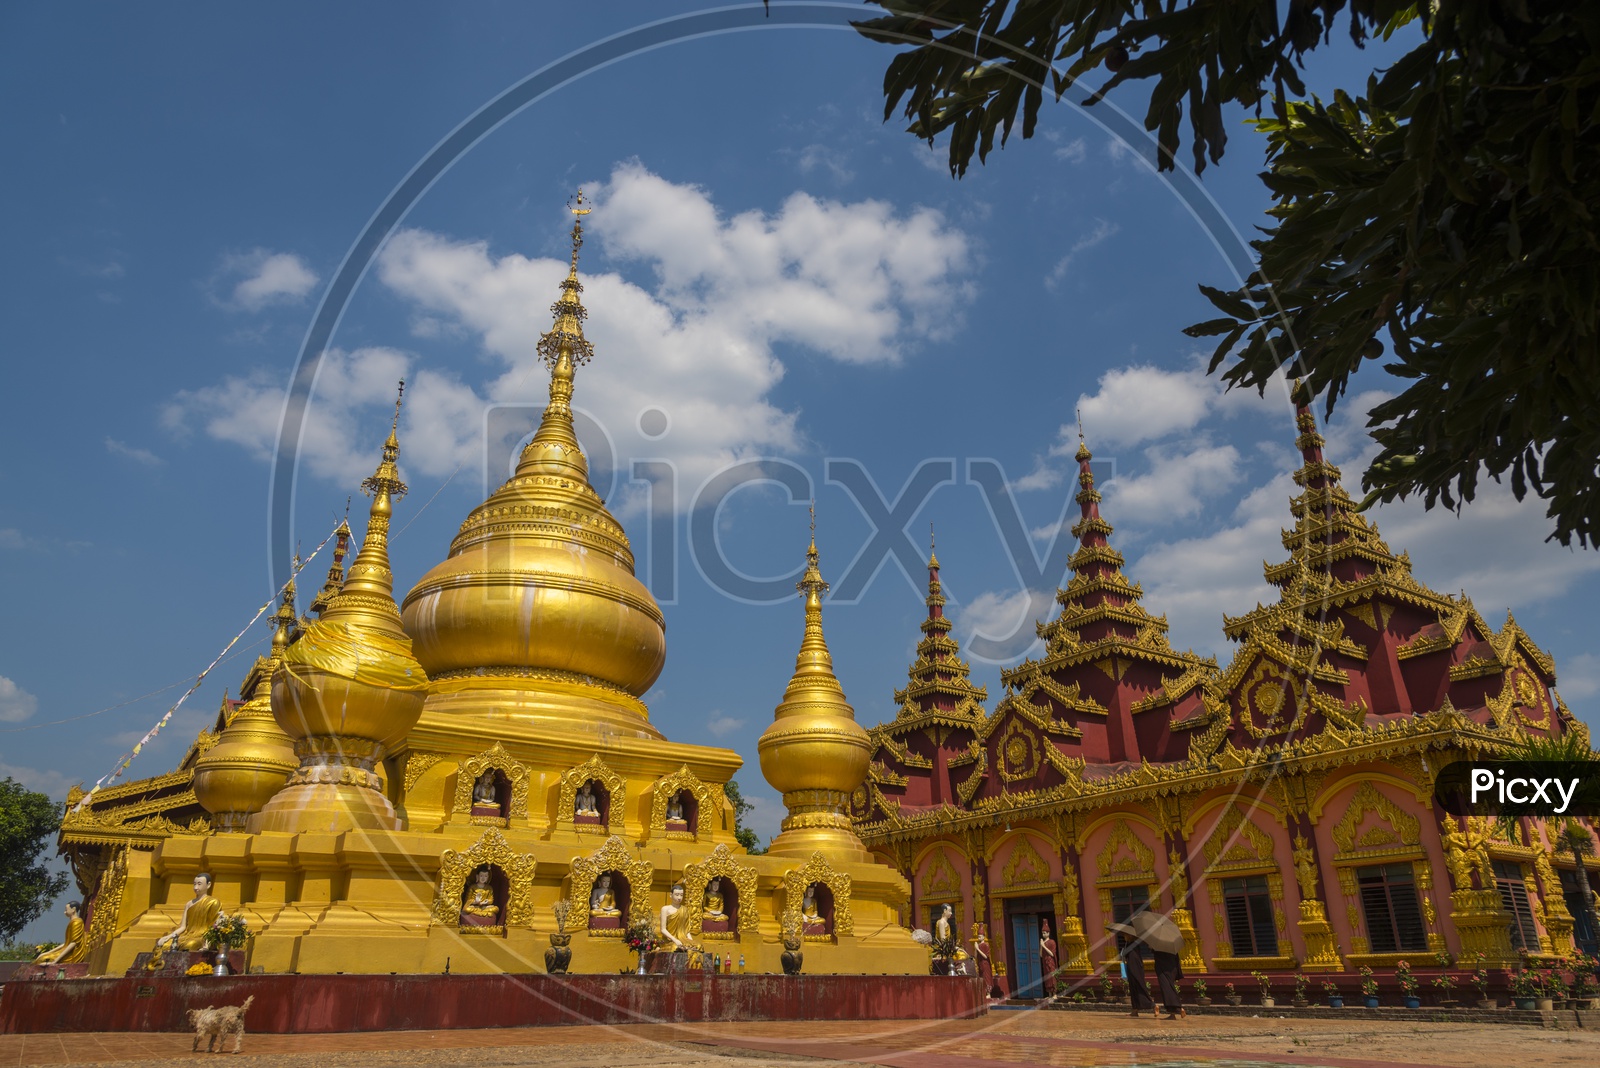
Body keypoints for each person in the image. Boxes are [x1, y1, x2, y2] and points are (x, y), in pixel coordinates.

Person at [157, 873, 221, 952]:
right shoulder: (189, 904)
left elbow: (213, 927)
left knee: (189, 945)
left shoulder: (213, 902)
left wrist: (207, 944)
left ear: (208, 885)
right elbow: (183, 927)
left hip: (202, 937)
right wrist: (169, 937)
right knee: (164, 945)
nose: (196, 887)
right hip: (187, 935)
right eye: (194, 884)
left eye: (199, 884)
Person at [33, 901, 86, 965]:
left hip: (72, 954)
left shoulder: (77, 922)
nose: (64, 912)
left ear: (73, 909)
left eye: (66, 910)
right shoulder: (72, 922)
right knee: (41, 957)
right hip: (66, 950)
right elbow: (66, 944)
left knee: (42, 959)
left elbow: (73, 943)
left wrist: (55, 961)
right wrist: (48, 952)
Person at [1120, 935, 1156, 1017]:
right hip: (1131, 968)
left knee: (1139, 987)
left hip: (1134, 969)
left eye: (1125, 935)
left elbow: (1131, 958)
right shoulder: (1128, 944)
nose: (1124, 937)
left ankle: (1153, 1005)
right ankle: (1135, 1010)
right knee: (1133, 988)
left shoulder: (1133, 945)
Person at [1152, 947, 1186, 1019]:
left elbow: (1155, 953)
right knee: (1170, 987)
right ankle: (1174, 1013)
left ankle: (1178, 1009)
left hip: (1162, 969)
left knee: (1166, 989)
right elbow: (1177, 959)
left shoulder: (1159, 946)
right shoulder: (1172, 947)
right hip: (1172, 968)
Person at [660, 884, 692, 949]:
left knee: (698, 946)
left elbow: (686, 930)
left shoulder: (685, 910)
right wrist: (674, 940)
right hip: (669, 940)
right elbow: (663, 929)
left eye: (681, 895)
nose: (679, 898)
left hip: (683, 939)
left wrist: (691, 941)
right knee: (676, 947)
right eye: (677, 895)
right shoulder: (665, 909)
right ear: (671, 895)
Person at [1039, 918, 1059, 998]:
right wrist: (1041, 946)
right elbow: (1041, 955)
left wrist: (1044, 946)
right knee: (1047, 977)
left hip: (1051, 962)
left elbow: (1052, 954)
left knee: (1052, 977)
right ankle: (1049, 993)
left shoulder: (1052, 942)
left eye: (1045, 933)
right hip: (1045, 962)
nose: (1043, 935)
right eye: (1042, 933)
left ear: (1048, 933)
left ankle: (1054, 993)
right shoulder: (1043, 943)